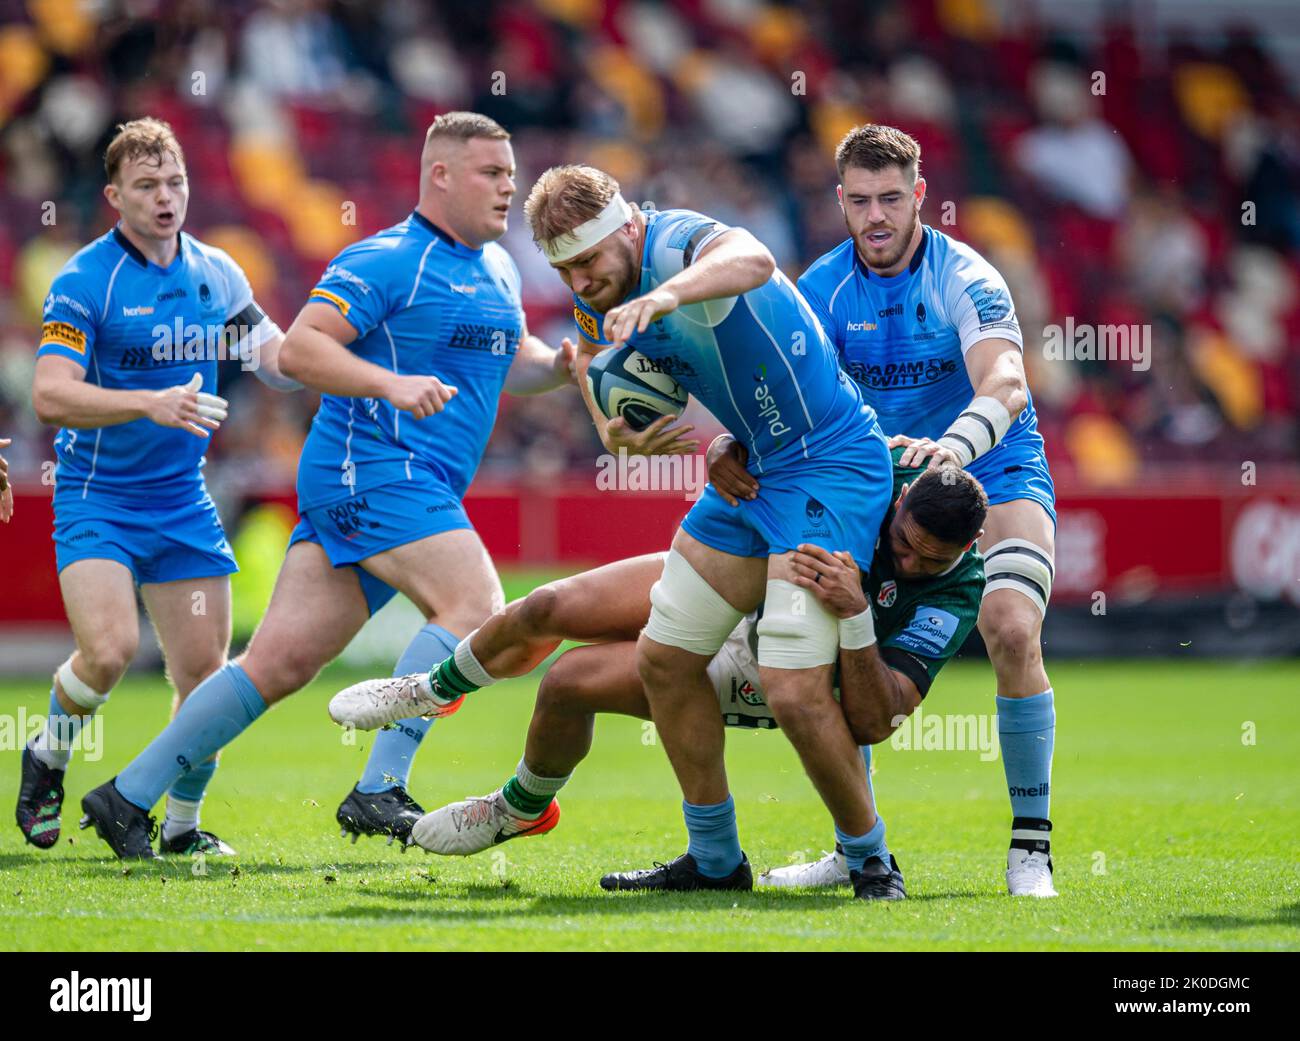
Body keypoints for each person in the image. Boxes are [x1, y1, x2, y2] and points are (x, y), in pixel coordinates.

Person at [332, 164, 900, 896]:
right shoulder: (599, 294)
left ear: (627, 228)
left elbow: (753, 259)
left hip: (829, 466)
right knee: (664, 661)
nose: (580, 279)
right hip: (753, 470)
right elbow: (599, 367)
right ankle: (715, 862)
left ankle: (871, 859)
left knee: (792, 689)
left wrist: (664, 295)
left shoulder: (674, 244)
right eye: (563, 268)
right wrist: (614, 430)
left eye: (590, 260)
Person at [76, 112, 573, 860]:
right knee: (474, 604)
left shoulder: (499, 267)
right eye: (491, 173)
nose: (510, 186)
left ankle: (126, 795)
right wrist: (391, 384)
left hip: (403, 483)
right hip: (373, 468)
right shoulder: (385, 258)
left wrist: (558, 368)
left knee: (275, 665)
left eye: (510, 172)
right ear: (439, 175)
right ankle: (380, 787)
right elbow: (303, 347)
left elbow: (513, 359)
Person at [339, 447, 986, 902]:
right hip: (738, 584)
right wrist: (732, 447)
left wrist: (855, 619)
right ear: (899, 500)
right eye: (902, 543)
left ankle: (519, 809)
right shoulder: (876, 464)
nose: (908, 562)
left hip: (780, 665)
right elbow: (793, 433)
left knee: (565, 684)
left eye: (931, 559)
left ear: (962, 552)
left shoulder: (958, 587)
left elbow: (877, 717)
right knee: (549, 605)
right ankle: (428, 691)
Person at [793, 124, 1059, 897]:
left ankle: (1031, 850)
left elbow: (1006, 382)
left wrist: (950, 448)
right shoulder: (820, 290)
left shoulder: (967, 276)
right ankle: (856, 847)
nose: (876, 216)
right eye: (860, 200)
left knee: (1011, 627)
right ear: (841, 202)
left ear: (920, 199)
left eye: (891, 199)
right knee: (843, 642)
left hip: (995, 467)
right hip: (882, 480)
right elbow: (790, 396)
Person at [17, 118, 295, 857]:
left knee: (206, 677)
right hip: (97, 496)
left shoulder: (218, 272)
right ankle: (47, 755)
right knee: (108, 652)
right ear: (115, 196)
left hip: (181, 499)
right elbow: (50, 394)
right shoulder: (83, 280)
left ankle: (180, 828)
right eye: (146, 186)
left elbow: (273, 354)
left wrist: (357, 368)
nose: (165, 197)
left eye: (174, 182)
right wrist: (149, 402)